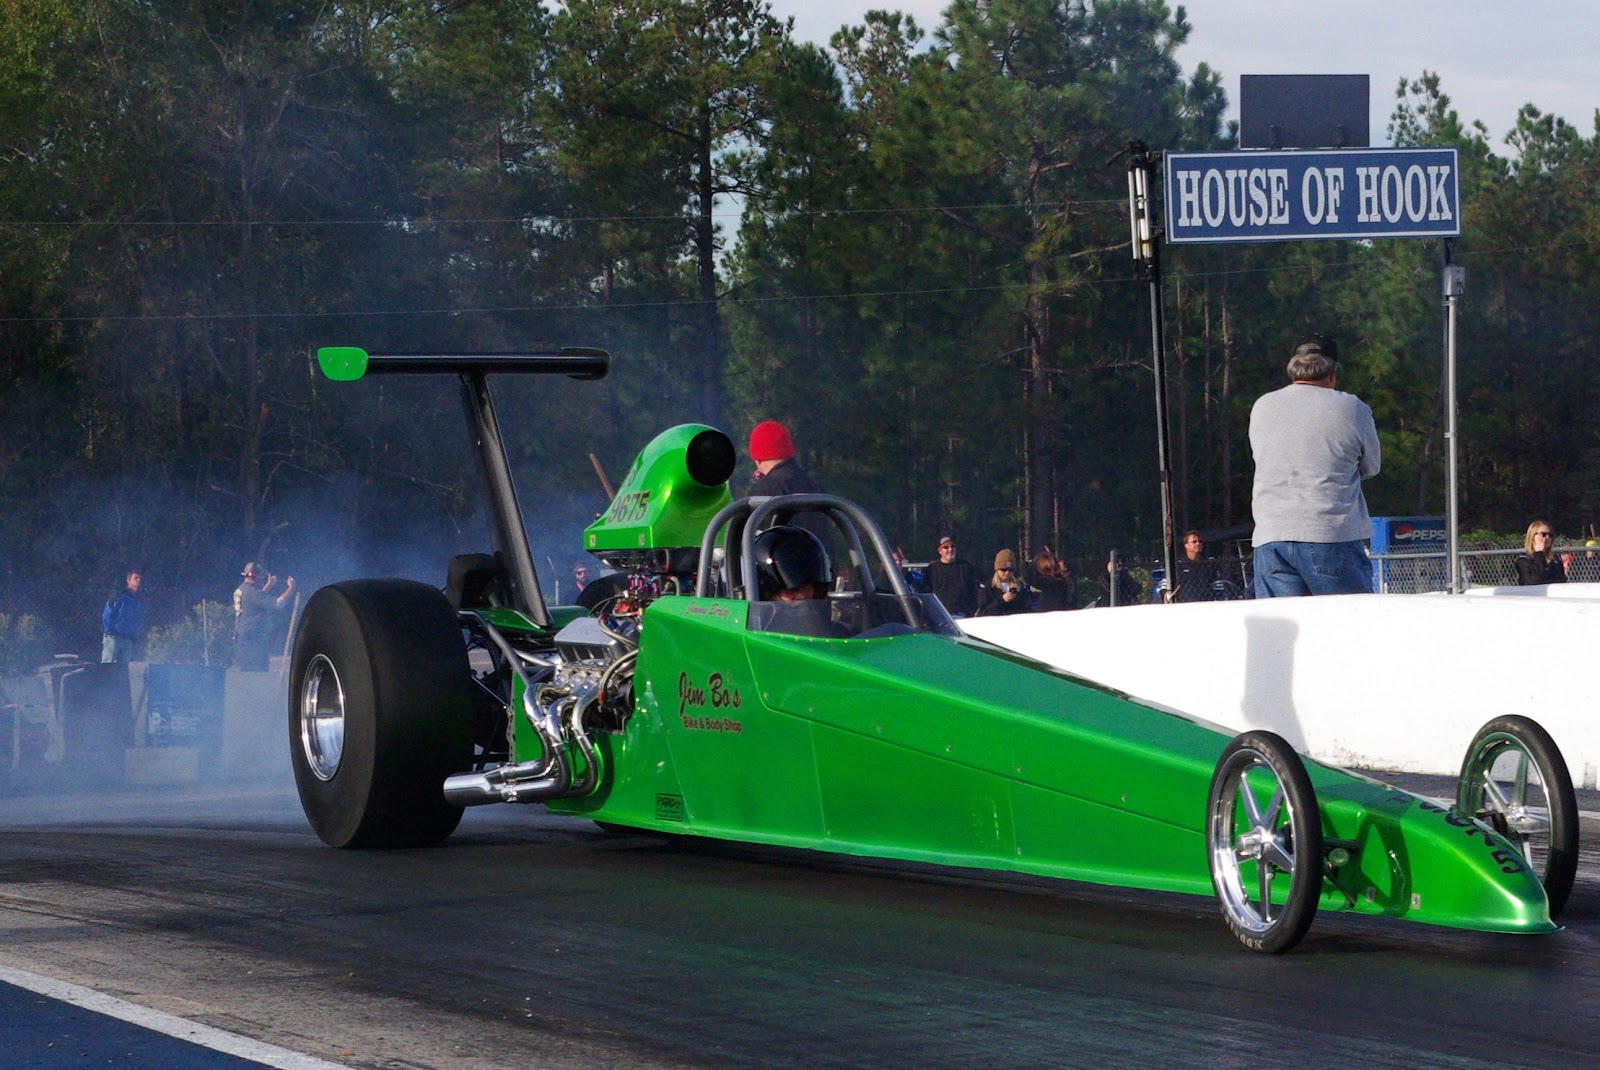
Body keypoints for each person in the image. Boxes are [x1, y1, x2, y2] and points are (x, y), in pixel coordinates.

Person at [1248, 333, 1381, 598]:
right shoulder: (1352, 407)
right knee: (1344, 621)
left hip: (1271, 535)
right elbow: (1372, 467)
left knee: (1283, 625)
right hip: (1330, 535)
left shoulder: (1262, 405)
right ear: (1332, 372)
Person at [751, 525, 850, 637]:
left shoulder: (842, 636)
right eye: (792, 590)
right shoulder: (757, 640)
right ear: (767, 592)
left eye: (807, 587)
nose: (802, 595)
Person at [234, 561, 297, 670]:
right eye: (260, 576)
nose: (262, 579)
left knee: (247, 671)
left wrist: (269, 585)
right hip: (253, 638)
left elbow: (256, 599)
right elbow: (277, 604)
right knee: (257, 673)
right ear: (255, 576)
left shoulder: (242, 589)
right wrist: (290, 589)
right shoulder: (252, 592)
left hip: (243, 636)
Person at [923, 535, 983, 617]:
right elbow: (926, 592)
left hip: (962, 614)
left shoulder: (966, 567)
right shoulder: (931, 569)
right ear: (940, 551)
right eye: (946, 547)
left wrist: (971, 611)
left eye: (952, 546)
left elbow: (976, 589)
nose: (950, 549)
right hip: (940, 615)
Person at [100, 570, 145, 663]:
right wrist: (110, 632)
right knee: (108, 666)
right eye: (135, 578)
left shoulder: (139, 600)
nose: (138, 580)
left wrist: (134, 634)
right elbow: (107, 614)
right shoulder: (118, 595)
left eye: (140, 578)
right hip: (114, 638)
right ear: (128, 580)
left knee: (123, 669)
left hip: (128, 639)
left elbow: (137, 619)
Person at [1170, 530, 1225, 603]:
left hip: (1206, 604)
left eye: (1200, 541)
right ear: (1186, 545)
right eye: (1194, 542)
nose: (1198, 543)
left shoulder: (1209, 564)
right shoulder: (1177, 565)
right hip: (1183, 605)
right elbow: (1165, 586)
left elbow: (1218, 586)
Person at [977, 549, 1032, 616]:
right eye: (1003, 570)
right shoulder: (987, 587)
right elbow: (984, 612)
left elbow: (1027, 608)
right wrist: (1002, 600)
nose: (1007, 573)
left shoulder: (1019, 586)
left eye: (1010, 570)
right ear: (997, 570)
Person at [1514, 520, 1567, 586]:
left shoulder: (1555, 560)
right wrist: (1539, 553)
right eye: (1543, 535)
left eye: (1550, 535)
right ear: (1532, 536)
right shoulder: (1523, 560)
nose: (1547, 537)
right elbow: (1535, 581)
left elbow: (1560, 581)